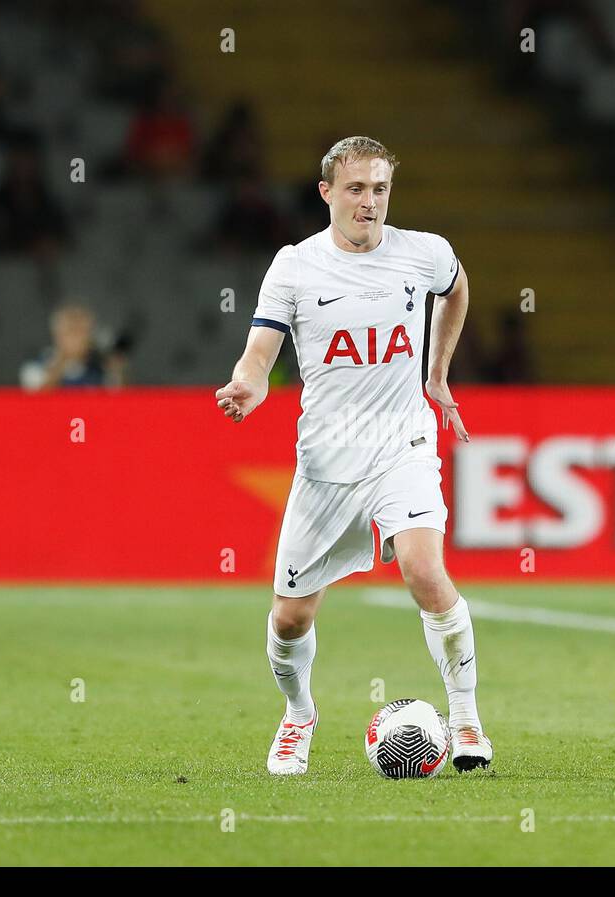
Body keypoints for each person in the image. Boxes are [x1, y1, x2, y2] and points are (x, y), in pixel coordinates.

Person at [214, 136, 492, 776]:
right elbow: (259, 353)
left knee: (424, 571)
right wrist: (250, 385)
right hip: (327, 460)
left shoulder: (424, 253)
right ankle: (299, 714)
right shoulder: (294, 267)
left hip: (403, 442)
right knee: (290, 619)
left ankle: (466, 717)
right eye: (357, 189)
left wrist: (438, 372)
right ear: (327, 193)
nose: (370, 202)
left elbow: (457, 289)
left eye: (380, 189)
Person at [20, 304, 122, 390]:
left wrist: (115, 368)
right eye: (70, 331)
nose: (76, 338)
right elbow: (36, 397)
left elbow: (118, 397)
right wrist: (62, 359)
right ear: (57, 335)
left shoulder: (101, 368)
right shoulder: (38, 366)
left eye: (81, 331)